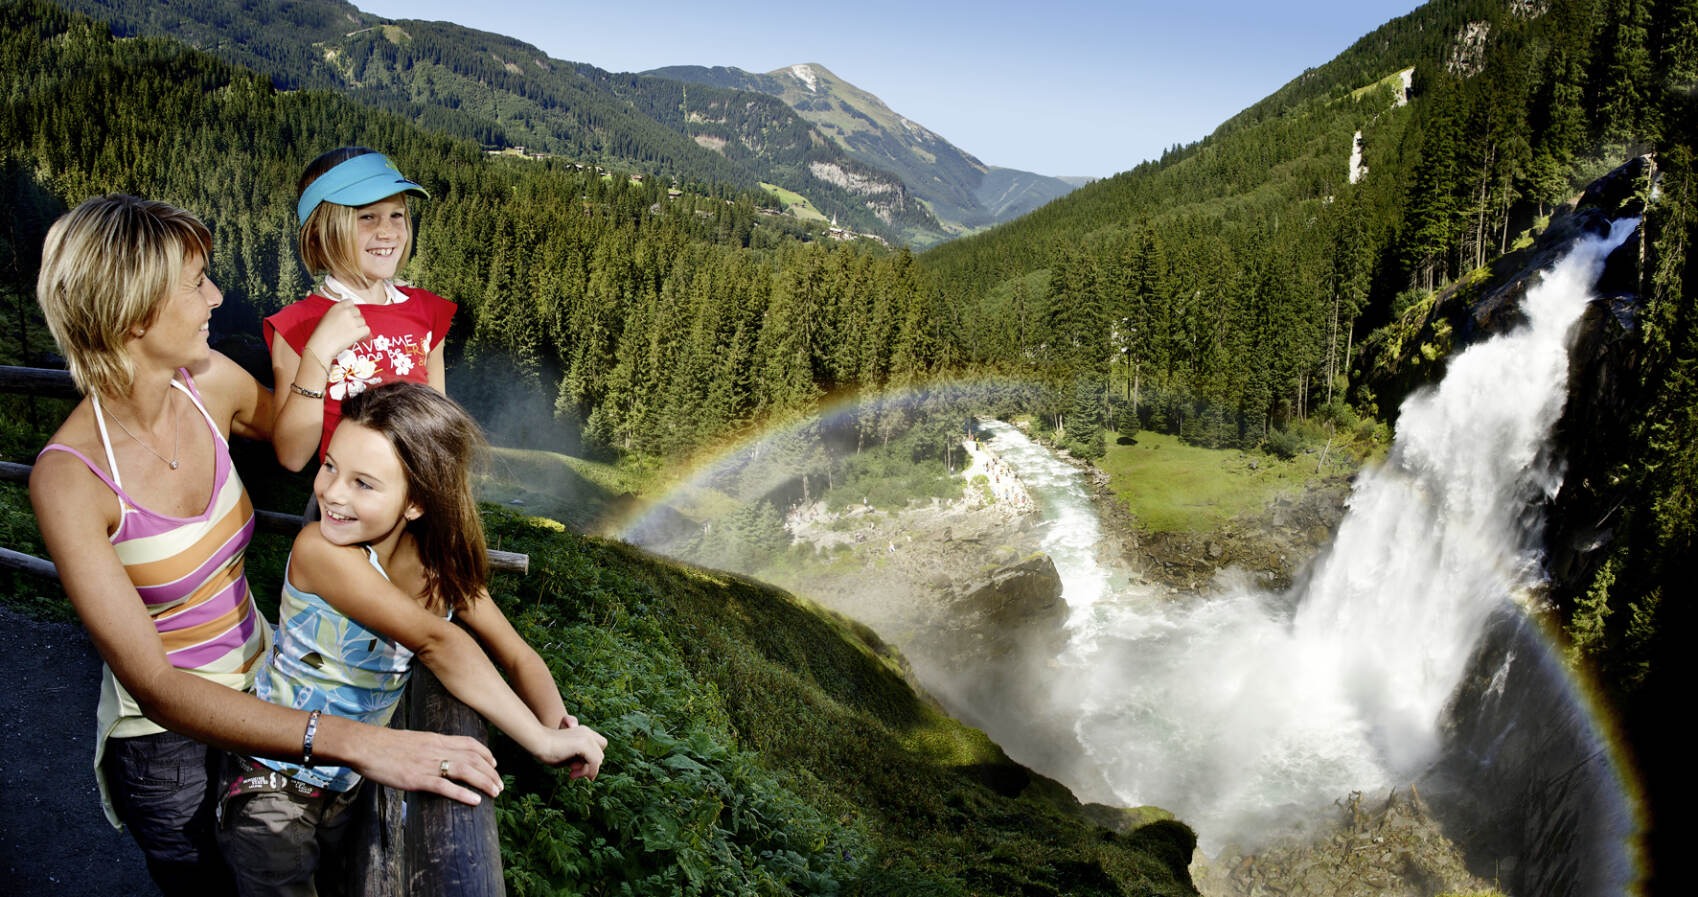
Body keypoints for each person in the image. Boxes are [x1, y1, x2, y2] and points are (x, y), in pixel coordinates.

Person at [30, 195, 501, 897]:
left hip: (271, 678)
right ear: (134, 315)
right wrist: (363, 741)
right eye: (196, 283)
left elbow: (306, 440)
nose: (217, 297)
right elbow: (156, 685)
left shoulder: (207, 383)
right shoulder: (70, 479)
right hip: (166, 747)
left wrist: (333, 359)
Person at [218, 382, 607, 896]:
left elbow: (519, 655)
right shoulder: (320, 551)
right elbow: (437, 642)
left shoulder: (438, 567)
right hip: (272, 783)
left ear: (418, 502)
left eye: (363, 483)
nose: (332, 492)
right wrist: (539, 740)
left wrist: (558, 726)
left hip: (346, 784)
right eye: (330, 466)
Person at [265, 147, 456, 471]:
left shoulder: (427, 311)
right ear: (319, 232)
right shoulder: (297, 324)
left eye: (397, 215)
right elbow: (293, 456)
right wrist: (317, 355)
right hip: (345, 495)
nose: (388, 232)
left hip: (416, 491)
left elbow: (438, 429)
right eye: (367, 216)